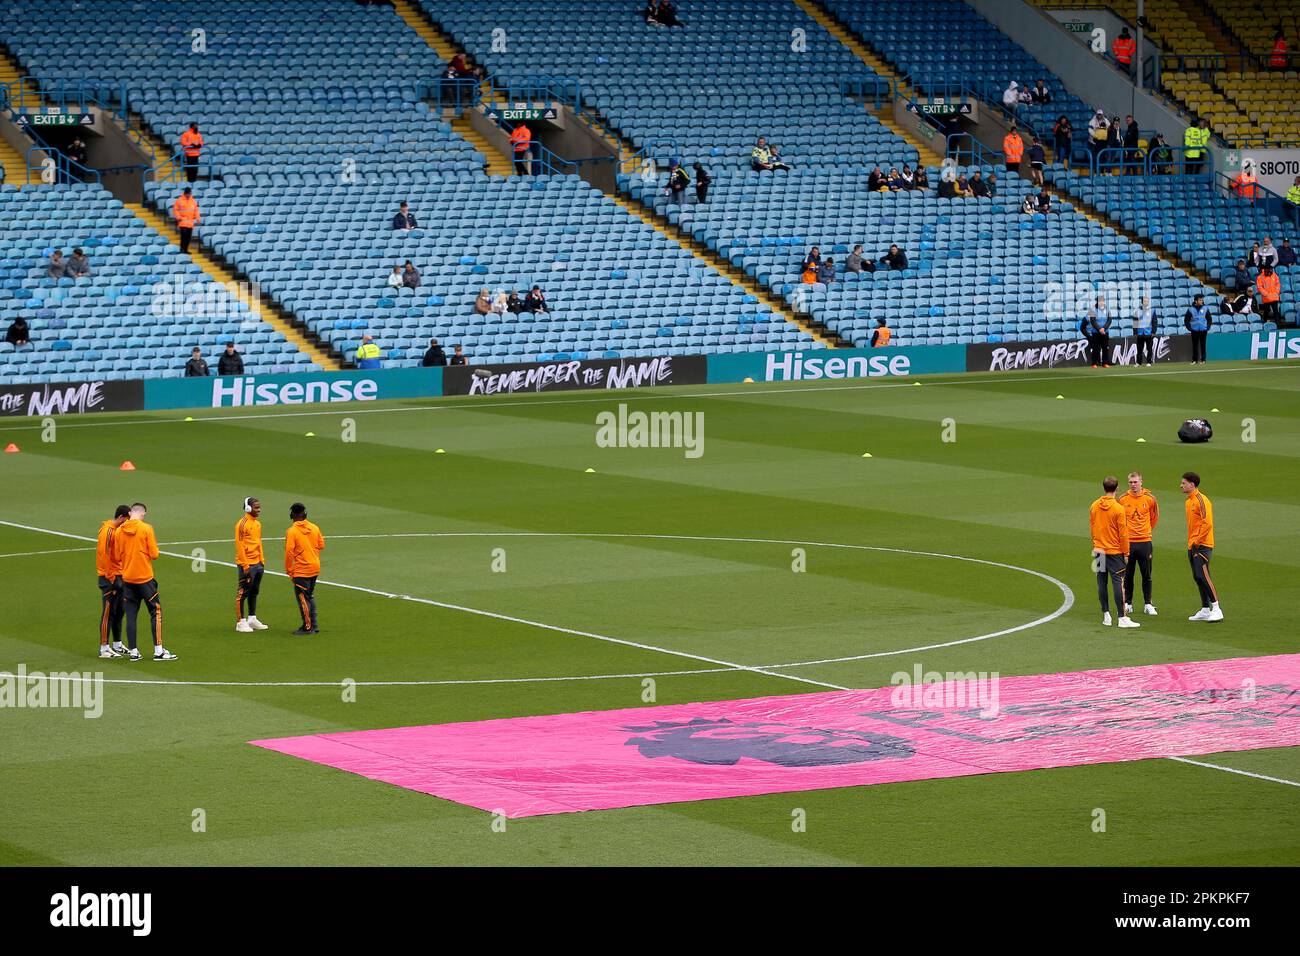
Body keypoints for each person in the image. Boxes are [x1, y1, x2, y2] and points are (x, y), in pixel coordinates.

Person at [111, 502, 178, 660]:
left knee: (131, 615)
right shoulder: (146, 528)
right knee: (156, 612)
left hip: (127, 578)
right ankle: (158, 650)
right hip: (145, 578)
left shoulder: (119, 531)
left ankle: (134, 651)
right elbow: (154, 554)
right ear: (142, 513)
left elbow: (117, 555)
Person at [1089, 476, 1139, 628]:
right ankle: (1122, 618)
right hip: (1114, 551)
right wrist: (1126, 552)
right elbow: (1123, 534)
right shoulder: (1118, 508)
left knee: (1101, 582)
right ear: (1117, 488)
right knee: (1118, 583)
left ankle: (1106, 615)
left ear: (1104, 488)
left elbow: (1092, 527)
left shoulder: (1094, 505)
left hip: (1098, 550)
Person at [1181, 472, 1222, 621]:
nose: (1181, 485)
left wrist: (1197, 540)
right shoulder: (1188, 501)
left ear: (1192, 484)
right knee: (1197, 577)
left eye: (1184, 483)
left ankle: (1217, 608)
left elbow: (1207, 523)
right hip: (1192, 544)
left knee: (1202, 575)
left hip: (1203, 545)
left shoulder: (1201, 500)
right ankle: (1205, 609)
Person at [1119, 472, 1159, 618]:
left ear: (1141, 482)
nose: (1133, 485)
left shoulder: (1150, 499)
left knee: (1146, 574)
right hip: (1128, 543)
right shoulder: (1122, 499)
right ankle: (1128, 603)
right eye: (1130, 482)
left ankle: (1148, 604)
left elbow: (1154, 518)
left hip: (1145, 542)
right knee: (1128, 574)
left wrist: (1145, 531)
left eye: (1135, 482)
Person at [284, 502, 325, 635]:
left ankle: (308, 627)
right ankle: (314, 625)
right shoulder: (314, 527)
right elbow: (321, 545)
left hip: (301, 570)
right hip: (315, 567)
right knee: (309, 596)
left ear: (292, 515)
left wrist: (289, 570)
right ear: (305, 514)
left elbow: (289, 552)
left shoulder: (292, 531)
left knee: (303, 598)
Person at [96, 505, 130, 658]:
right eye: (127, 520)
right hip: (109, 578)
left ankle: (117, 644)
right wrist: (111, 578)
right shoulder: (108, 531)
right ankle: (104, 647)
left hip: (119, 576)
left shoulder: (115, 530)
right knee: (108, 613)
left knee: (119, 612)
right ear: (122, 517)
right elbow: (104, 556)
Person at [234, 497, 268, 634]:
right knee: (242, 593)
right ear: (248, 508)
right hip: (246, 563)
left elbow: (258, 542)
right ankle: (240, 622)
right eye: (256, 507)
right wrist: (245, 565)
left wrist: (262, 560)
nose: (259, 510)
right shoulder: (242, 524)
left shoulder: (257, 524)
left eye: (259, 507)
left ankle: (252, 618)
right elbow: (240, 545)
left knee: (254, 591)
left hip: (258, 563)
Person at [1183, 293, 1212, 363]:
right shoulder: (1190, 309)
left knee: (1203, 345)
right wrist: (1190, 328)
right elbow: (1186, 320)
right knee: (1195, 345)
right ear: (1196, 301)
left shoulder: (1205, 308)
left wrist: (1207, 327)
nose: (1202, 301)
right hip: (1194, 330)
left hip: (1203, 330)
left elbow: (1209, 319)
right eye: (1200, 300)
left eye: (1202, 300)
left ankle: (1203, 360)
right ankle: (1195, 360)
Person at [172, 187, 200, 253]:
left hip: (190, 223)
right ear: (185, 193)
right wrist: (178, 217)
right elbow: (175, 210)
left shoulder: (193, 201)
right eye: (188, 194)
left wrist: (198, 218)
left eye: (190, 194)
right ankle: (182, 249)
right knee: (183, 237)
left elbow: (196, 210)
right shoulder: (179, 200)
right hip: (183, 222)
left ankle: (186, 249)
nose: (189, 195)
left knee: (188, 237)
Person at [1086, 296, 1111, 366]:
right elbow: (1092, 321)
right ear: (1097, 302)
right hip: (1095, 332)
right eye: (1100, 301)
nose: (1101, 302)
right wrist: (1099, 329)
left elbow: (1109, 320)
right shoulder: (1093, 310)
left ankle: (1105, 363)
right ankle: (1094, 363)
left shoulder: (1107, 310)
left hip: (1105, 332)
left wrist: (1104, 328)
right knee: (1095, 348)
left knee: (1105, 348)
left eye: (1102, 301)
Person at [1133, 295, 1157, 366]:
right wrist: (1135, 332)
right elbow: (1135, 322)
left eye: (1147, 301)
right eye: (1144, 301)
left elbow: (1154, 322)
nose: (1146, 302)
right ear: (1142, 302)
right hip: (1140, 333)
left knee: (1149, 349)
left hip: (1148, 332)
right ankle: (1138, 362)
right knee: (1139, 349)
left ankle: (1149, 362)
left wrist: (1153, 332)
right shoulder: (1137, 311)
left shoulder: (1152, 310)